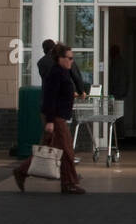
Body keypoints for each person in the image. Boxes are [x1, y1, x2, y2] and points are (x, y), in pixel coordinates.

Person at [15, 42, 86, 194]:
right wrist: (50, 121)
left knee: (48, 149)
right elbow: (50, 98)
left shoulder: (63, 71)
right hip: (56, 117)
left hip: (59, 115)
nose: (71, 61)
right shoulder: (55, 73)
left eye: (72, 58)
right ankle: (69, 183)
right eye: (69, 58)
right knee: (67, 151)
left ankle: (22, 170)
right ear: (60, 58)